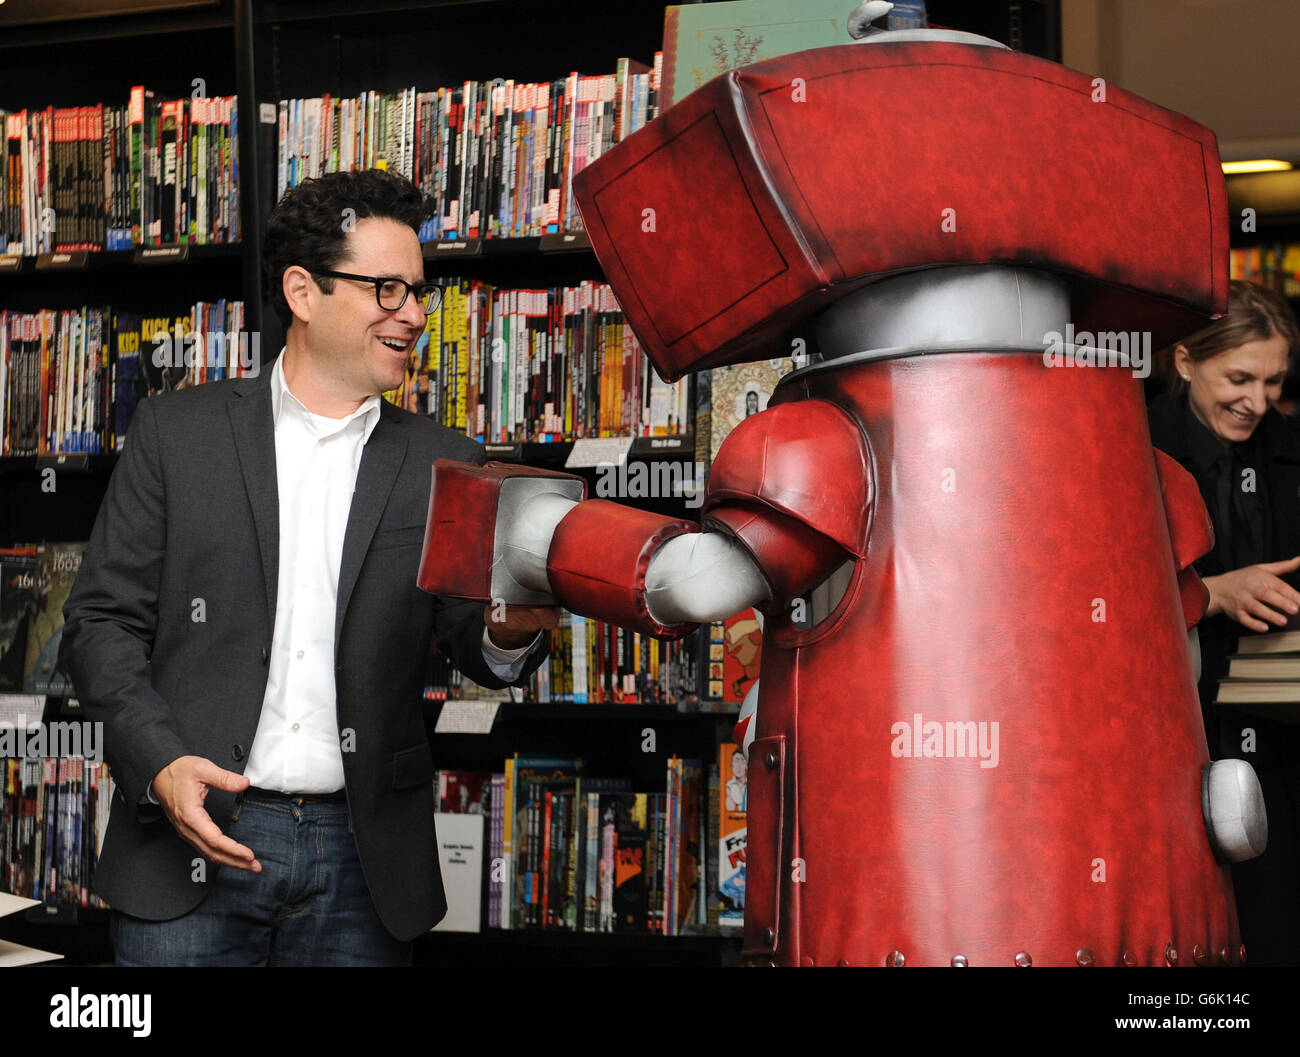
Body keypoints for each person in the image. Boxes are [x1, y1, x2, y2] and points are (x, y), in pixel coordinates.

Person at [60, 168, 557, 966]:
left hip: (364, 859)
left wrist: (509, 627)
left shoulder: (449, 463)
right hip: (194, 838)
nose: (414, 315)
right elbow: (98, 623)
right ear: (302, 290)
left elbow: (475, 639)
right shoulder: (174, 435)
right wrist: (157, 763)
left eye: (419, 293)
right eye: (386, 289)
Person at [1148, 278, 1300, 966]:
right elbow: (1093, 600)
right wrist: (1212, 593)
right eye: (1240, 377)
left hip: (1280, 725)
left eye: (1274, 381)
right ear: (1184, 362)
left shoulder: (1287, 447)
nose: (1258, 401)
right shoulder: (1134, 448)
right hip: (1177, 728)